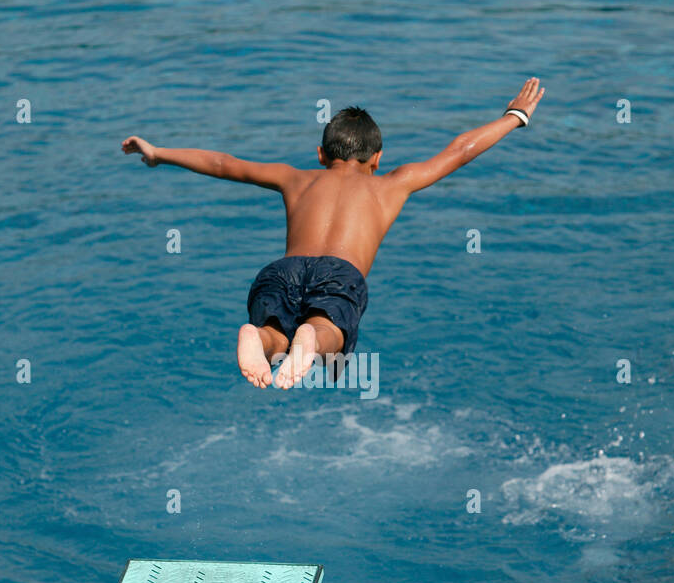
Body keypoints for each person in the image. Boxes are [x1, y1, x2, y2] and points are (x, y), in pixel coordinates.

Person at [122, 77, 545, 389]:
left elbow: (222, 163)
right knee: (328, 336)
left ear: (321, 154)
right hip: (339, 275)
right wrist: (514, 116)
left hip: (282, 271)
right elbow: (460, 150)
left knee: (275, 333)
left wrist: (159, 153)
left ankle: (260, 338)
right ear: (377, 158)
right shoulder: (392, 184)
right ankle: (311, 338)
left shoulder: (295, 178)